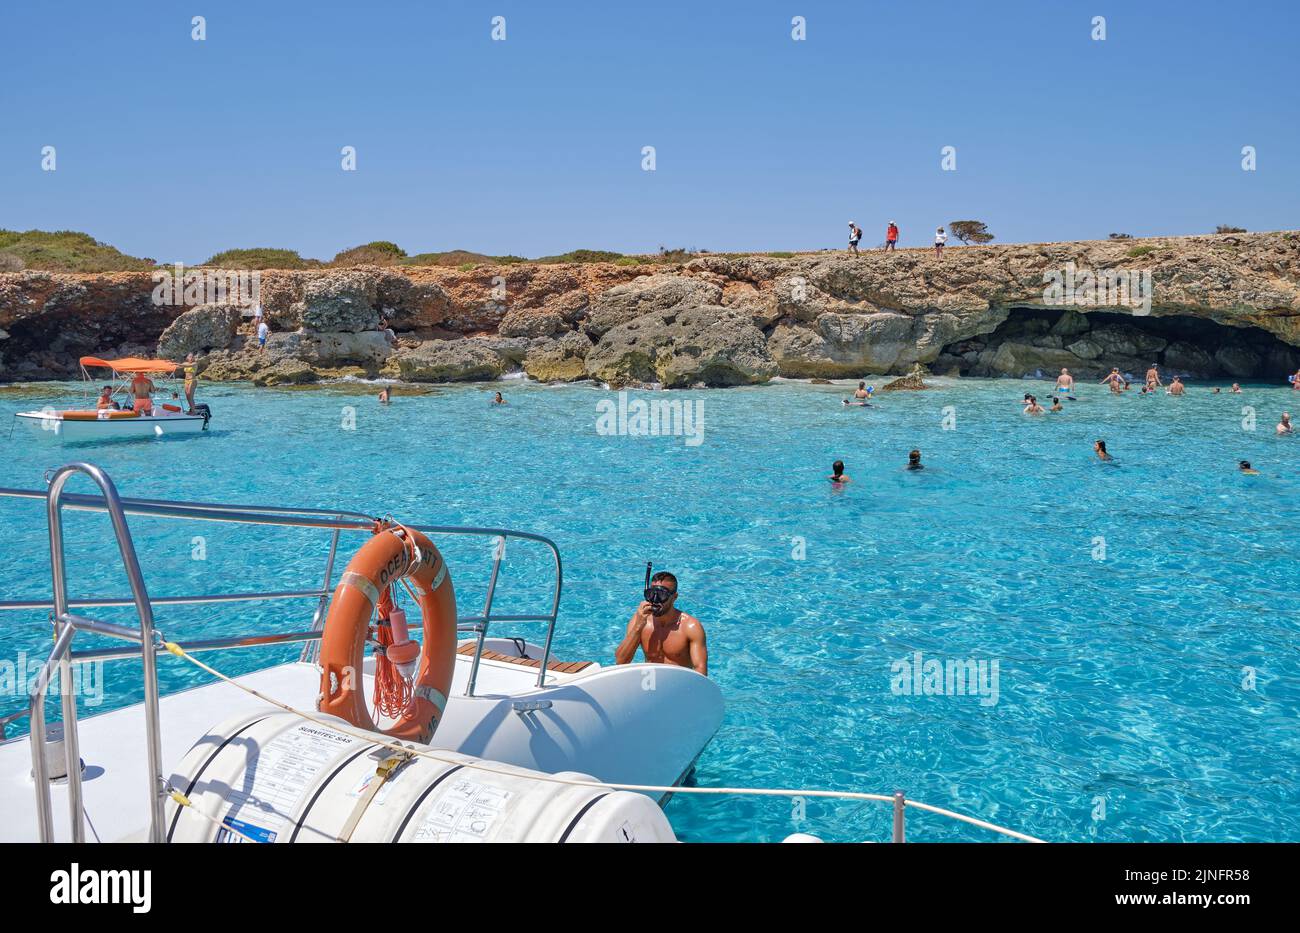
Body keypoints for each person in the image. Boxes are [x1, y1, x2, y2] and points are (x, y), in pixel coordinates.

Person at [614, 570, 707, 675]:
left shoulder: (690, 627)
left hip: (679, 686)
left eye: (662, 595)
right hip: (651, 684)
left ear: (674, 597)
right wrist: (638, 627)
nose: (655, 600)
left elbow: (701, 670)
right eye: (652, 594)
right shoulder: (639, 620)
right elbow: (621, 662)